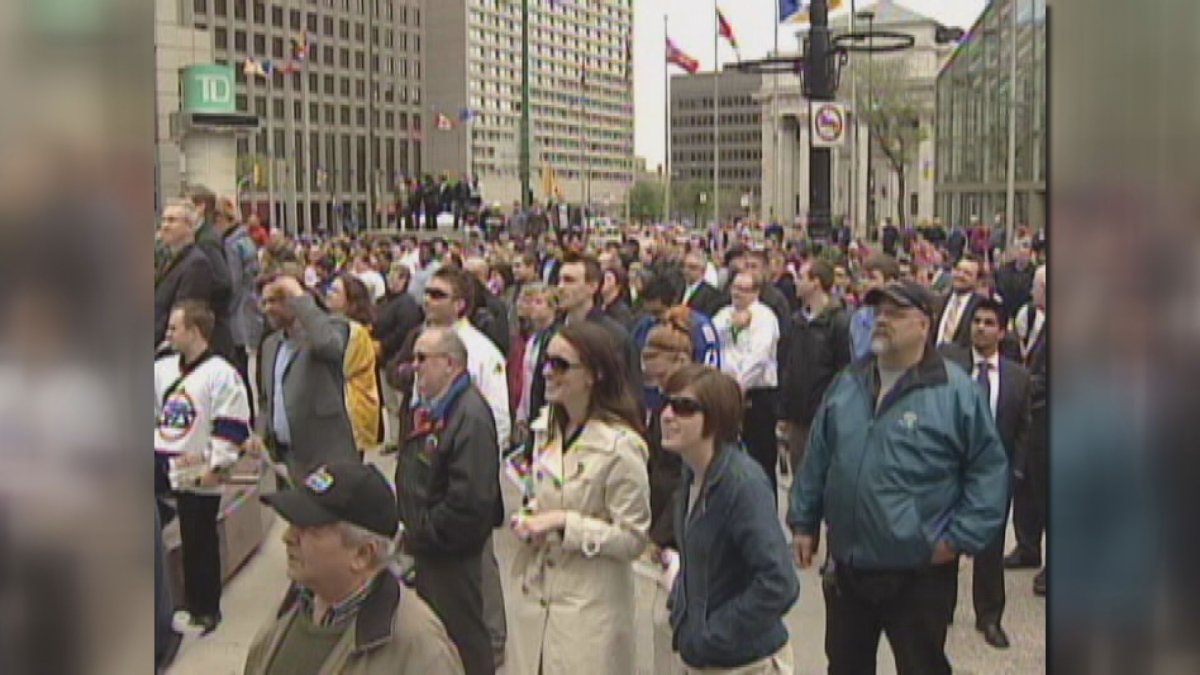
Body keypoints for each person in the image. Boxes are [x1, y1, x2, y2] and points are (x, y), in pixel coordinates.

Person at [787, 280, 1009, 675]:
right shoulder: (848, 383)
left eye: (895, 313)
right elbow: (818, 456)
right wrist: (804, 521)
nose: (882, 321)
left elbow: (988, 471)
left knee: (921, 666)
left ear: (924, 325)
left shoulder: (955, 392)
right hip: (849, 567)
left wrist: (958, 538)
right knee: (845, 665)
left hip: (917, 572)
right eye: (878, 312)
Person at [506, 322, 651, 675]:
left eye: (560, 365)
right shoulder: (547, 430)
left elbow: (632, 538)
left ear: (594, 375)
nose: (548, 373)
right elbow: (542, 494)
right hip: (537, 598)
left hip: (590, 609)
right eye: (546, 363)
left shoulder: (621, 447)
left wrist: (564, 525)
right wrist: (530, 516)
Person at [246, 462, 465, 674]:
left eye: (310, 528)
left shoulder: (420, 648)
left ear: (362, 554)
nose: (287, 537)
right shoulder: (291, 608)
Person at [663, 365, 799, 673]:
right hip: (705, 662)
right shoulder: (690, 473)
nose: (668, 415)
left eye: (684, 408)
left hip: (748, 665)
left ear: (715, 418)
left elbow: (779, 583)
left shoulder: (742, 484)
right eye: (668, 403)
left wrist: (710, 635)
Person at [395, 327, 502, 675]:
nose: (415, 367)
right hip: (432, 549)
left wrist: (423, 533)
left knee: (462, 640)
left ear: (450, 363)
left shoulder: (468, 415)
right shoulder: (435, 407)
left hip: (451, 555)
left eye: (422, 358)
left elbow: (468, 502)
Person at [154, 301, 251, 636]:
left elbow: (233, 424)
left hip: (198, 470)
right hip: (160, 462)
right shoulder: (162, 369)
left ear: (194, 332)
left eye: (173, 328)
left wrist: (217, 464)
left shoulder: (221, 374)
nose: (167, 335)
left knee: (199, 540)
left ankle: (205, 610)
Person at [941, 298, 1031, 649]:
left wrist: (1016, 473)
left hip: (994, 476)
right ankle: (940, 609)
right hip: (951, 470)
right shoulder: (950, 366)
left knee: (990, 549)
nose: (980, 327)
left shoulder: (1018, 378)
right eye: (976, 321)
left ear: (1002, 330)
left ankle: (990, 617)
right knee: (946, 541)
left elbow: (1024, 429)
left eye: (989, 322)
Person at [639, 308, 702, 674]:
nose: (646, 364)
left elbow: (684, 479)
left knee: (669, 622)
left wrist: (662, 534)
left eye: (653, 357)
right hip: (659, 512)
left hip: (679, 530)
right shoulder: (662, 400)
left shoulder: (688, 405)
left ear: (679, 359)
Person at [254, 269, 360, 481]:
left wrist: (298, 294)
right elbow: (266, 400)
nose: (267, 309)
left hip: (326, 460)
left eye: (275, 301)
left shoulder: (333, 327)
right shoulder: (269, 345)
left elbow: (329, 345)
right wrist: (261, 438)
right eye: (264, 302)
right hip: (286, 462)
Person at [779, 259, 851, 491]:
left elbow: (845, 371)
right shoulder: (796, 322)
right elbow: (787, 366)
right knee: (800, 480)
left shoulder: (839, 322)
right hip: (798, 417)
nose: (796, 282)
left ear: (816, 283)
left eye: (802, 277)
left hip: (824, 416)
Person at [711, 271, 780, 499]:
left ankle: (765, 501)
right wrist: (733, 326)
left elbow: (758, 357)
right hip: (723, 391)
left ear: (756, 292)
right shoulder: (724, 314)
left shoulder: (764, 316)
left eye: (743, 289)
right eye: (734, 288)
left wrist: (739, 386)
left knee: (760, 456)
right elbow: (713, 339)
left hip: (755, 393)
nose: (737, 293)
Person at [1007, 265, 1048, 597]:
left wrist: (1020, 385)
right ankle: (1027, 544)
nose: (1032, 293)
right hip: (1028, 417)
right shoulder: (1031, 317)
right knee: (1027, 483)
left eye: (1036, 287)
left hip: (1047, 413)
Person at [154, 199, 235, 361]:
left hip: (174, 355)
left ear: (189, 226)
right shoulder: (167, 259)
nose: (165, 226)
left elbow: (185, 316)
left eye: (172, 220)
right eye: (163, 220)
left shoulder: (197, 263)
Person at [213, 197, 264, 406]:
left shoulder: (231, 245)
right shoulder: (246, 241)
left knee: (238, 373)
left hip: (236, 318)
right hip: (249, 311)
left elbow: (232, 284)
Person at [325, 274, 381, 454]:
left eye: (335, 291)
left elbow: (341, 368)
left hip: (352, 410)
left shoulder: (356, 332)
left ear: (350, 300)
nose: (328, 293)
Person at [374, 263, 425, 453]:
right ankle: (393, 438)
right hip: (383, 359)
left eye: (396, 277)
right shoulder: (384, 301)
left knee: (401, 403)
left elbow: (404, 330)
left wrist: (385, 345)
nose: (391, 281)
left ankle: (404, 440)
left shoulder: (407, 304)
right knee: (389, 403)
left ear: (405, 280)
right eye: (390, 277)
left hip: (398, 356)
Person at [849, 253, 901, 361]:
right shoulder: (858, 317)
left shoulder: (902, 318)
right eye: (864, 277)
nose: (865, 283)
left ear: (891, 282)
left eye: (872, 278)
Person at [935, 257, 986, 349]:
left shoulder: (981, 307)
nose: (960, 275)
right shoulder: (939, 300)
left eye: (967, 273)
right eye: (958, 270)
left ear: (978, 281)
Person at [681, 250, 726, 319]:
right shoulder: (678, 286)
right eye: (684, 266)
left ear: (703, 270)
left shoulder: (712, 295)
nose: (686, 270)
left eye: (692, 267)